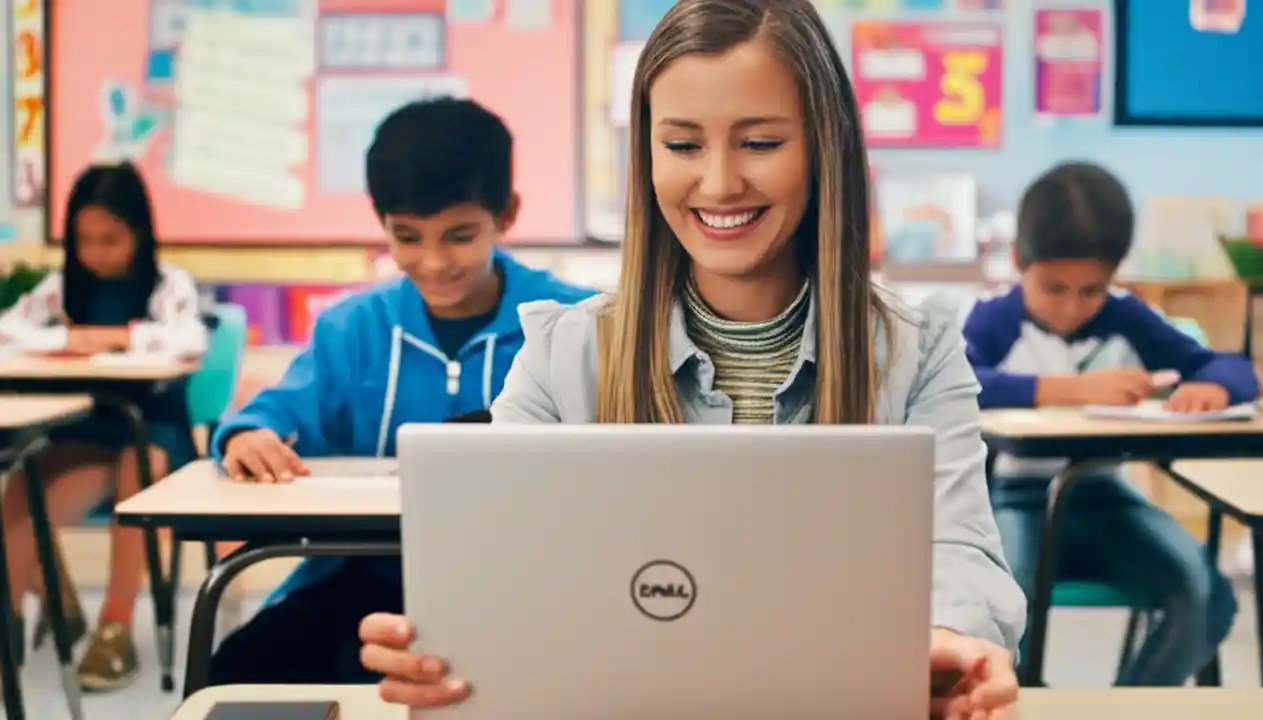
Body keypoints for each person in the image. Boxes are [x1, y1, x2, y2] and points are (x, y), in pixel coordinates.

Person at [357, 2, 1024, 717]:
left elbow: (958, 551)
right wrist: (442, 644)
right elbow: (495, 573)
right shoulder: (562, 354)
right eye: (681, 146)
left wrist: (951, 640)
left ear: (824, 147)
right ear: (646, 156)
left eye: (760, 142)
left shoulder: (914, 353)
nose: (718, 184)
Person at [206, 98, 595, 684]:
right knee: (237, 672)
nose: (433, 262)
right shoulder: (351, 328)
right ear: (381, 223)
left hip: (527, 577)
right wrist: (248, 435)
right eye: (407, 237)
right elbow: (282, 409)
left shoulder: (571, 321)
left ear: (506, 215)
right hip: (365, 574)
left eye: (460, 235)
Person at [963, 161, 1255, 685]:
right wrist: (1068, 391)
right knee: (1002, 605)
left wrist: (1213, 387)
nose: (1072, 307)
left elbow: (1230, 366)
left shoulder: (1127, 318)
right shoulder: (993, 320)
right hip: (1014, 500)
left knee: (1204, 595)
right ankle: (1025, 700)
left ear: (1114, 275)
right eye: (1053, 288)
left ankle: (1127, 705)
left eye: (1091, 290)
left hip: (1104, 501)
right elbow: (963, 383)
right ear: (1018, 261)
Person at [0, 161, 207, 691]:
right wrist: (62, 341)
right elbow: (9, 332)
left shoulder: (169, 285)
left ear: (139, 233)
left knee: (141, 467)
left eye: (111, 239)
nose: (96, 252)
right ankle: (21, 625)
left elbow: (188, 341)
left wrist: (118, 338)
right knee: (19, 492)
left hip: (154, 434)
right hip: (84, 432)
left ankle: (116, 625)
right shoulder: (59, 287)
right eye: (84, 239)